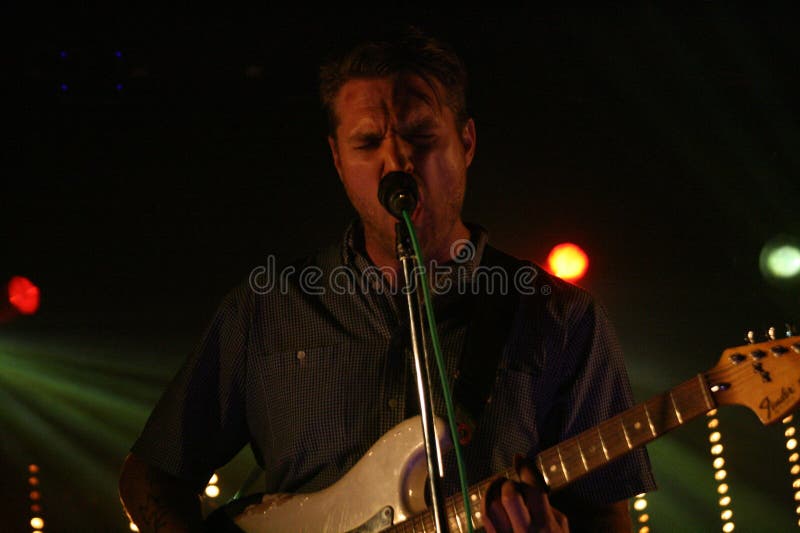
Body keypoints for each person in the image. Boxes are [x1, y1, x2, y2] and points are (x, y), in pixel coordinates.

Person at [119, 25, 656, 532]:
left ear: (466, 143)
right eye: (367, 142)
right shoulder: (268, 308)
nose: (397, 160)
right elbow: (151, 477)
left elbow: (605, 518)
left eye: (421, 135)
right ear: (336, 158)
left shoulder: (563, 318)